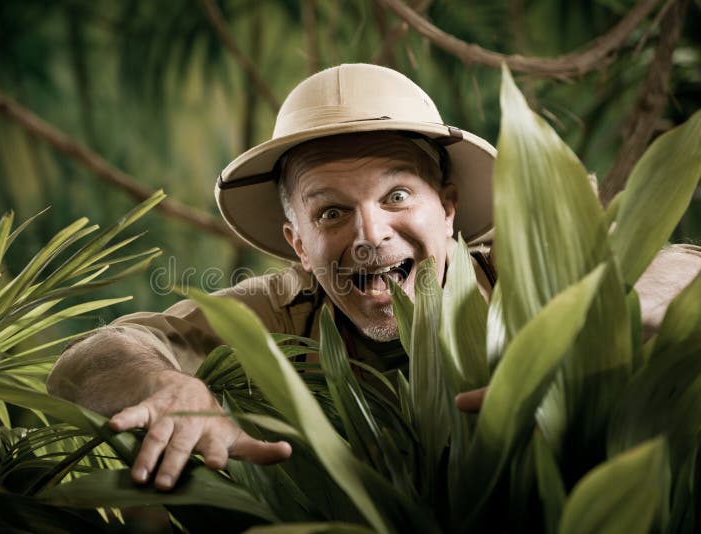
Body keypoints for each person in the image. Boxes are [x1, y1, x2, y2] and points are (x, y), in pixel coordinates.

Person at [46, 63, 700, 491]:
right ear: (296, 244)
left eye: (395, 198)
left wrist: (602, 319)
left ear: (446, 208)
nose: (368, 235)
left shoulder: (529, 270)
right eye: (331, 211)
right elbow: (94, 355)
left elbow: (674, 267)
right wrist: (163, 385)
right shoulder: (280, 310)